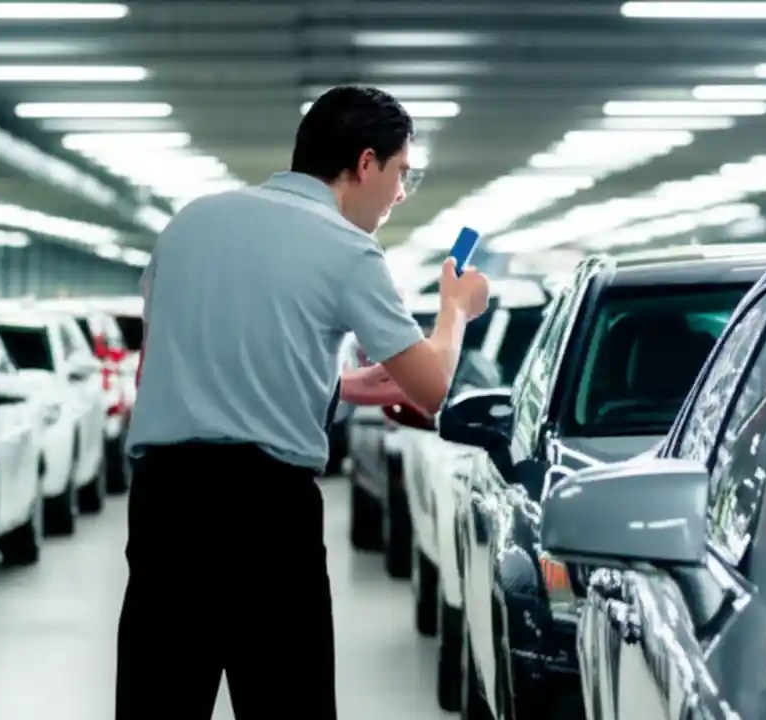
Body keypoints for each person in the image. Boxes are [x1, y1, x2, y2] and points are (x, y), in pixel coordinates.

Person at [115, 85, 489, 719]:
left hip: (164, 509)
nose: (400, 193)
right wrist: (454, 311)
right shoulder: (346, 248)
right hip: (266, 514)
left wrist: (336, 387)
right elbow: (431, 388)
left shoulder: (189, 223)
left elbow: (164, 367)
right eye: (402, 173)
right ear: (366, 163)